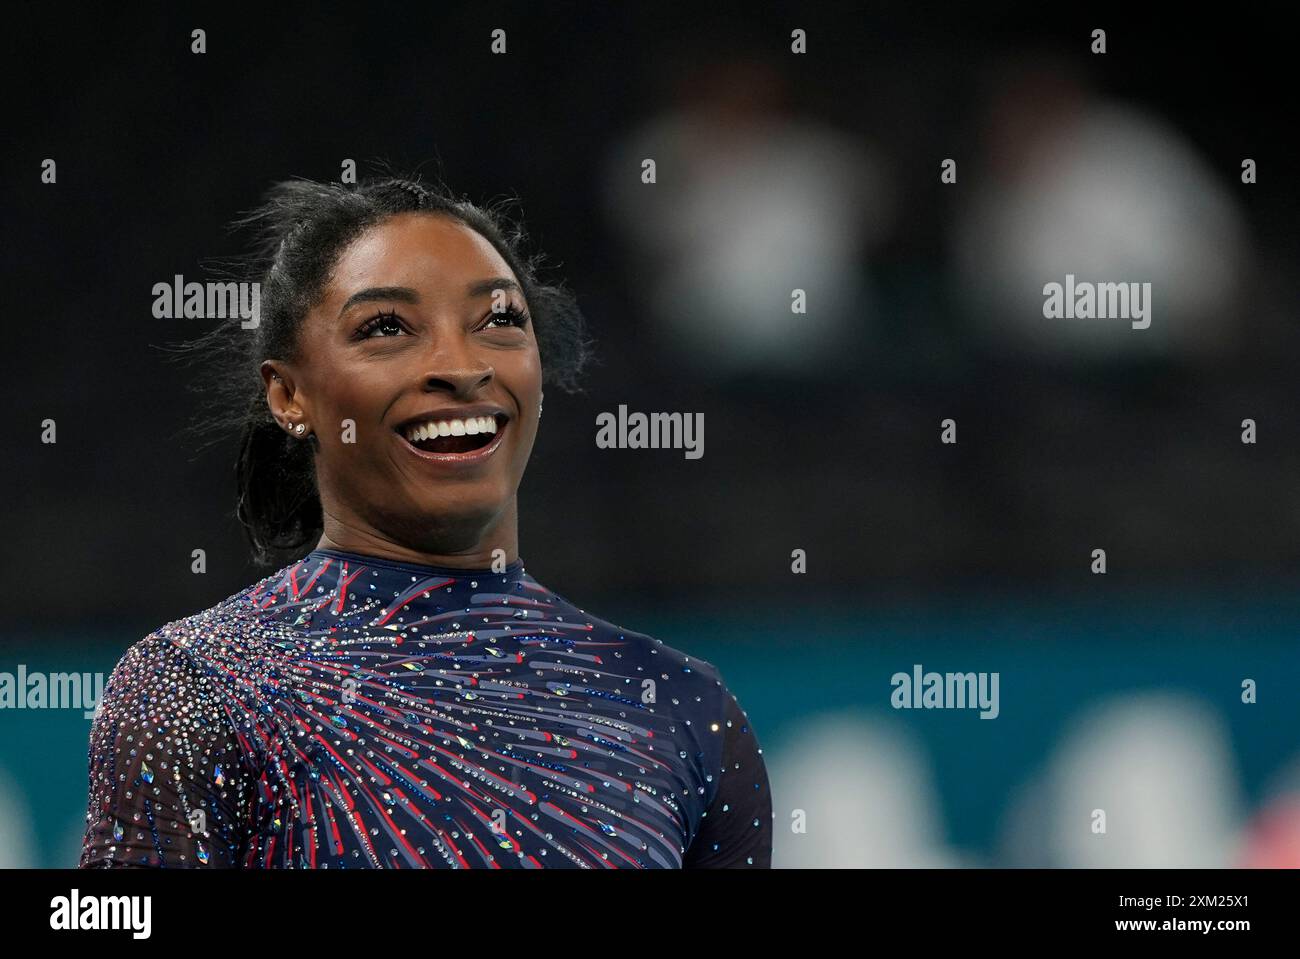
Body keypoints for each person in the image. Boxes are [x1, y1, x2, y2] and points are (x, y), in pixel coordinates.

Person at [77, 174, 772, 869]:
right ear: (289, 394)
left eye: (499, 319)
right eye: (387, 328)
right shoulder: (200, 686)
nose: (461, 366)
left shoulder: (682, 709)